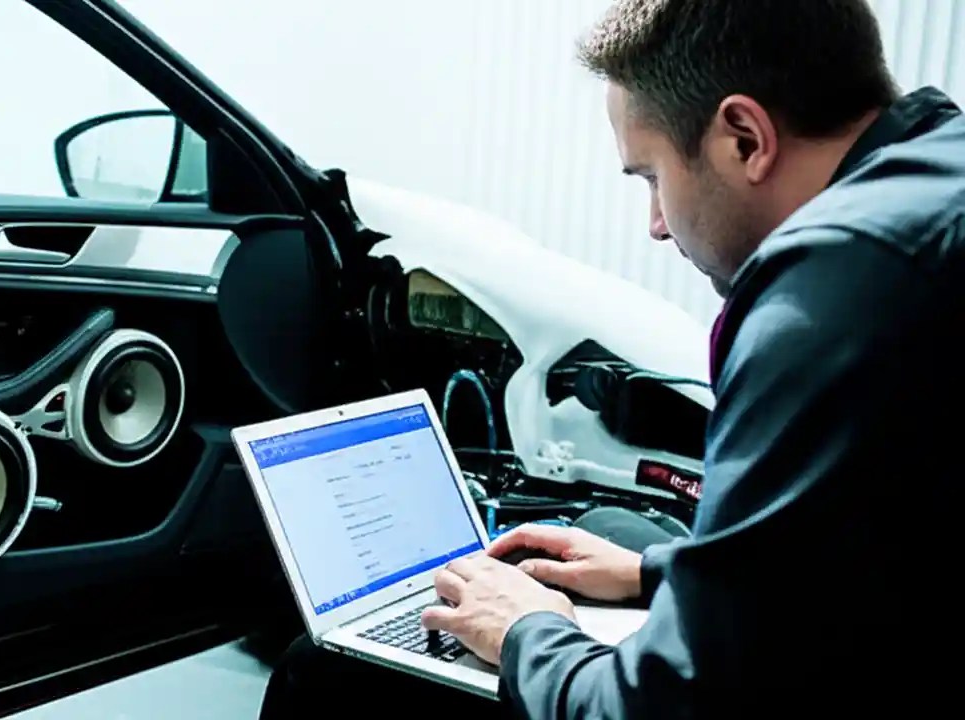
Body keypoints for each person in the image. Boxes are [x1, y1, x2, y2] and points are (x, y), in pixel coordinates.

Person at [260, 0, 965, 717]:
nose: (657, 226)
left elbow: (665, 709)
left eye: (652, 177)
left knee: (319, 673)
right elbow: (878, 543)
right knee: (614, 534)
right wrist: (658, 575)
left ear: (745, 138)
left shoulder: (829, 294)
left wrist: (525, 633)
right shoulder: (939, 173)